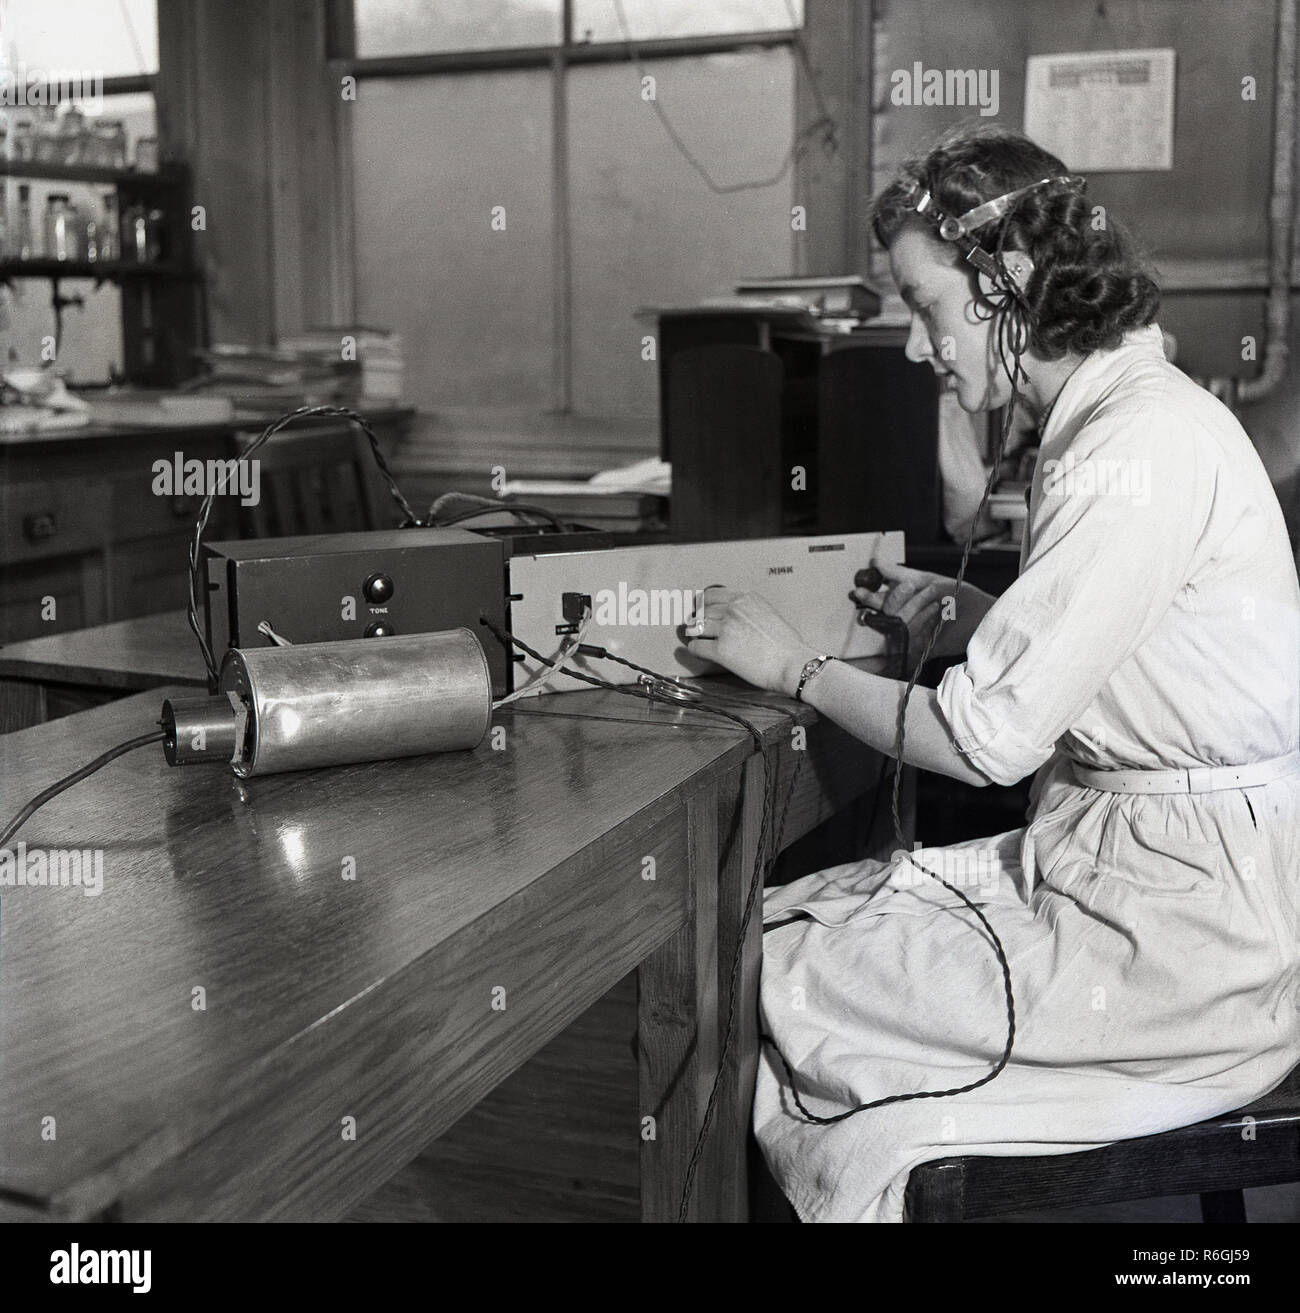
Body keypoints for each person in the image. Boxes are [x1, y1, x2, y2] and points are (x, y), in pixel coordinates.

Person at [682, 127, 1300, 1223]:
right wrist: (975, 614)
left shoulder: (1132, 446)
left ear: (1008, 288)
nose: (921, 349)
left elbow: (982, 742)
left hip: (1178, 942)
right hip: (1154, 884)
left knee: (760, 962)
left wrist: (795, 663)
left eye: (925, 306)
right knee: (784, 928)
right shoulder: (1128, 418)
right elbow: (1133, 655)